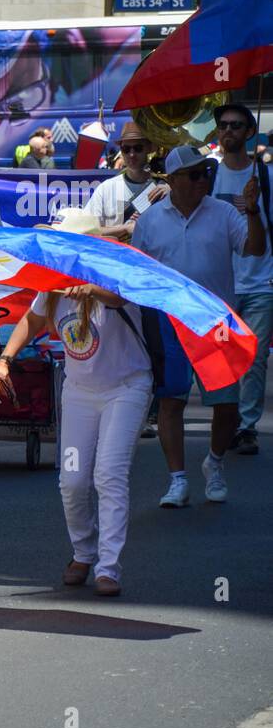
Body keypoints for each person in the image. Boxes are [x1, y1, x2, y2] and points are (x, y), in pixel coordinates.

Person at [0, 212, 152, 597]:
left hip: (125, 388)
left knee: (109, 475)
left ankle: (108, 566)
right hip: (79, 391)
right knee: (73, 480)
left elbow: (120, 297)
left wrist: (92, 290)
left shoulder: (112, 271)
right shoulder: (53, 283)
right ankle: (83, 552)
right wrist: (4, 361)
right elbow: (31, 321)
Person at [132, 146, 267, 506]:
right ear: (173, 181)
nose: (202, 179)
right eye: (193, 175)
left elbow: (255, 248)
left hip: (215, 321)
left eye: (205, 172)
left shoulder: (224, 212)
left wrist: (253, 210)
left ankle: (215, 462)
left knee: (227, 405)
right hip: (169, 321)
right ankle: (177, 480)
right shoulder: (149, 221)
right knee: (171, 400)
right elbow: (137, 274)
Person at [206, 104, 273, 456]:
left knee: (256, 358)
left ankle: (247, 428)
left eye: (235, 125)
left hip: (261, 282)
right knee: (223, 356)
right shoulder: (209, 176)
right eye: (223, 125)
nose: (227, 130)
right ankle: (226, 421)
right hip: (221, 285)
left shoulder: (266, 177)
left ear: (249, 132)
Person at [84, 121, 168, 240]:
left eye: (138, 148)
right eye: (126, 149)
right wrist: (125, 229)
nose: (132, 154)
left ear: (149, 148)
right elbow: (87, 231)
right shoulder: (106, 188)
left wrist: (174, 193)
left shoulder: (163, 187)